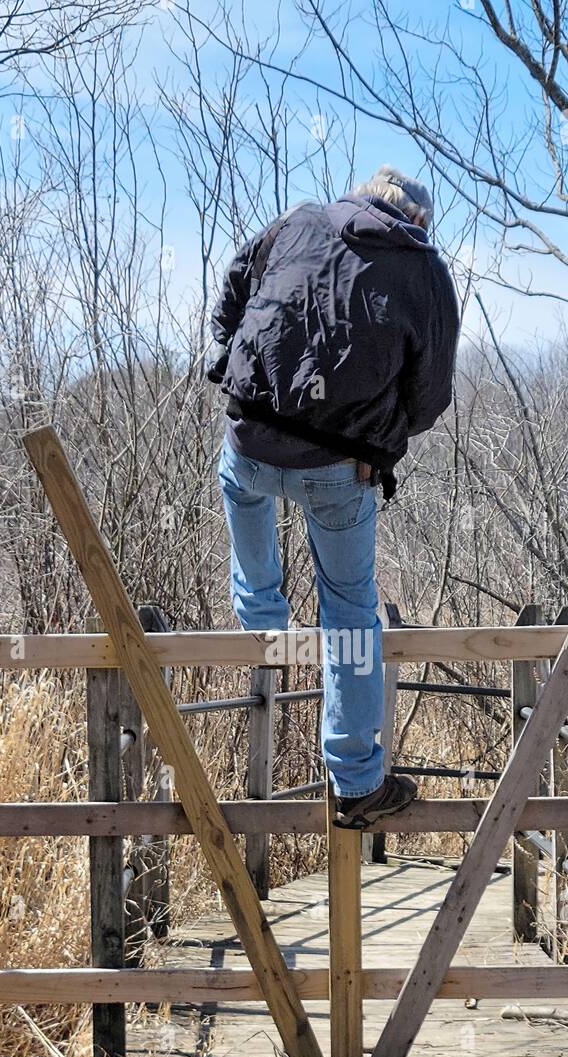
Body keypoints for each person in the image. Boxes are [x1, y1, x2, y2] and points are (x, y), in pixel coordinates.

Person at [208, 166, 460, 829]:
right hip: (339, 468)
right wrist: (378, 432)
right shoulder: (423, 272)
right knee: (350, 617)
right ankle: (355, 782)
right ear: (419, 222)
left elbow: (232, 291)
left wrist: (237, 362)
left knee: (242, 486)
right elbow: (431, 395)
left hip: (253, 440)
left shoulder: (297, 222)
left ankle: (263, 622)